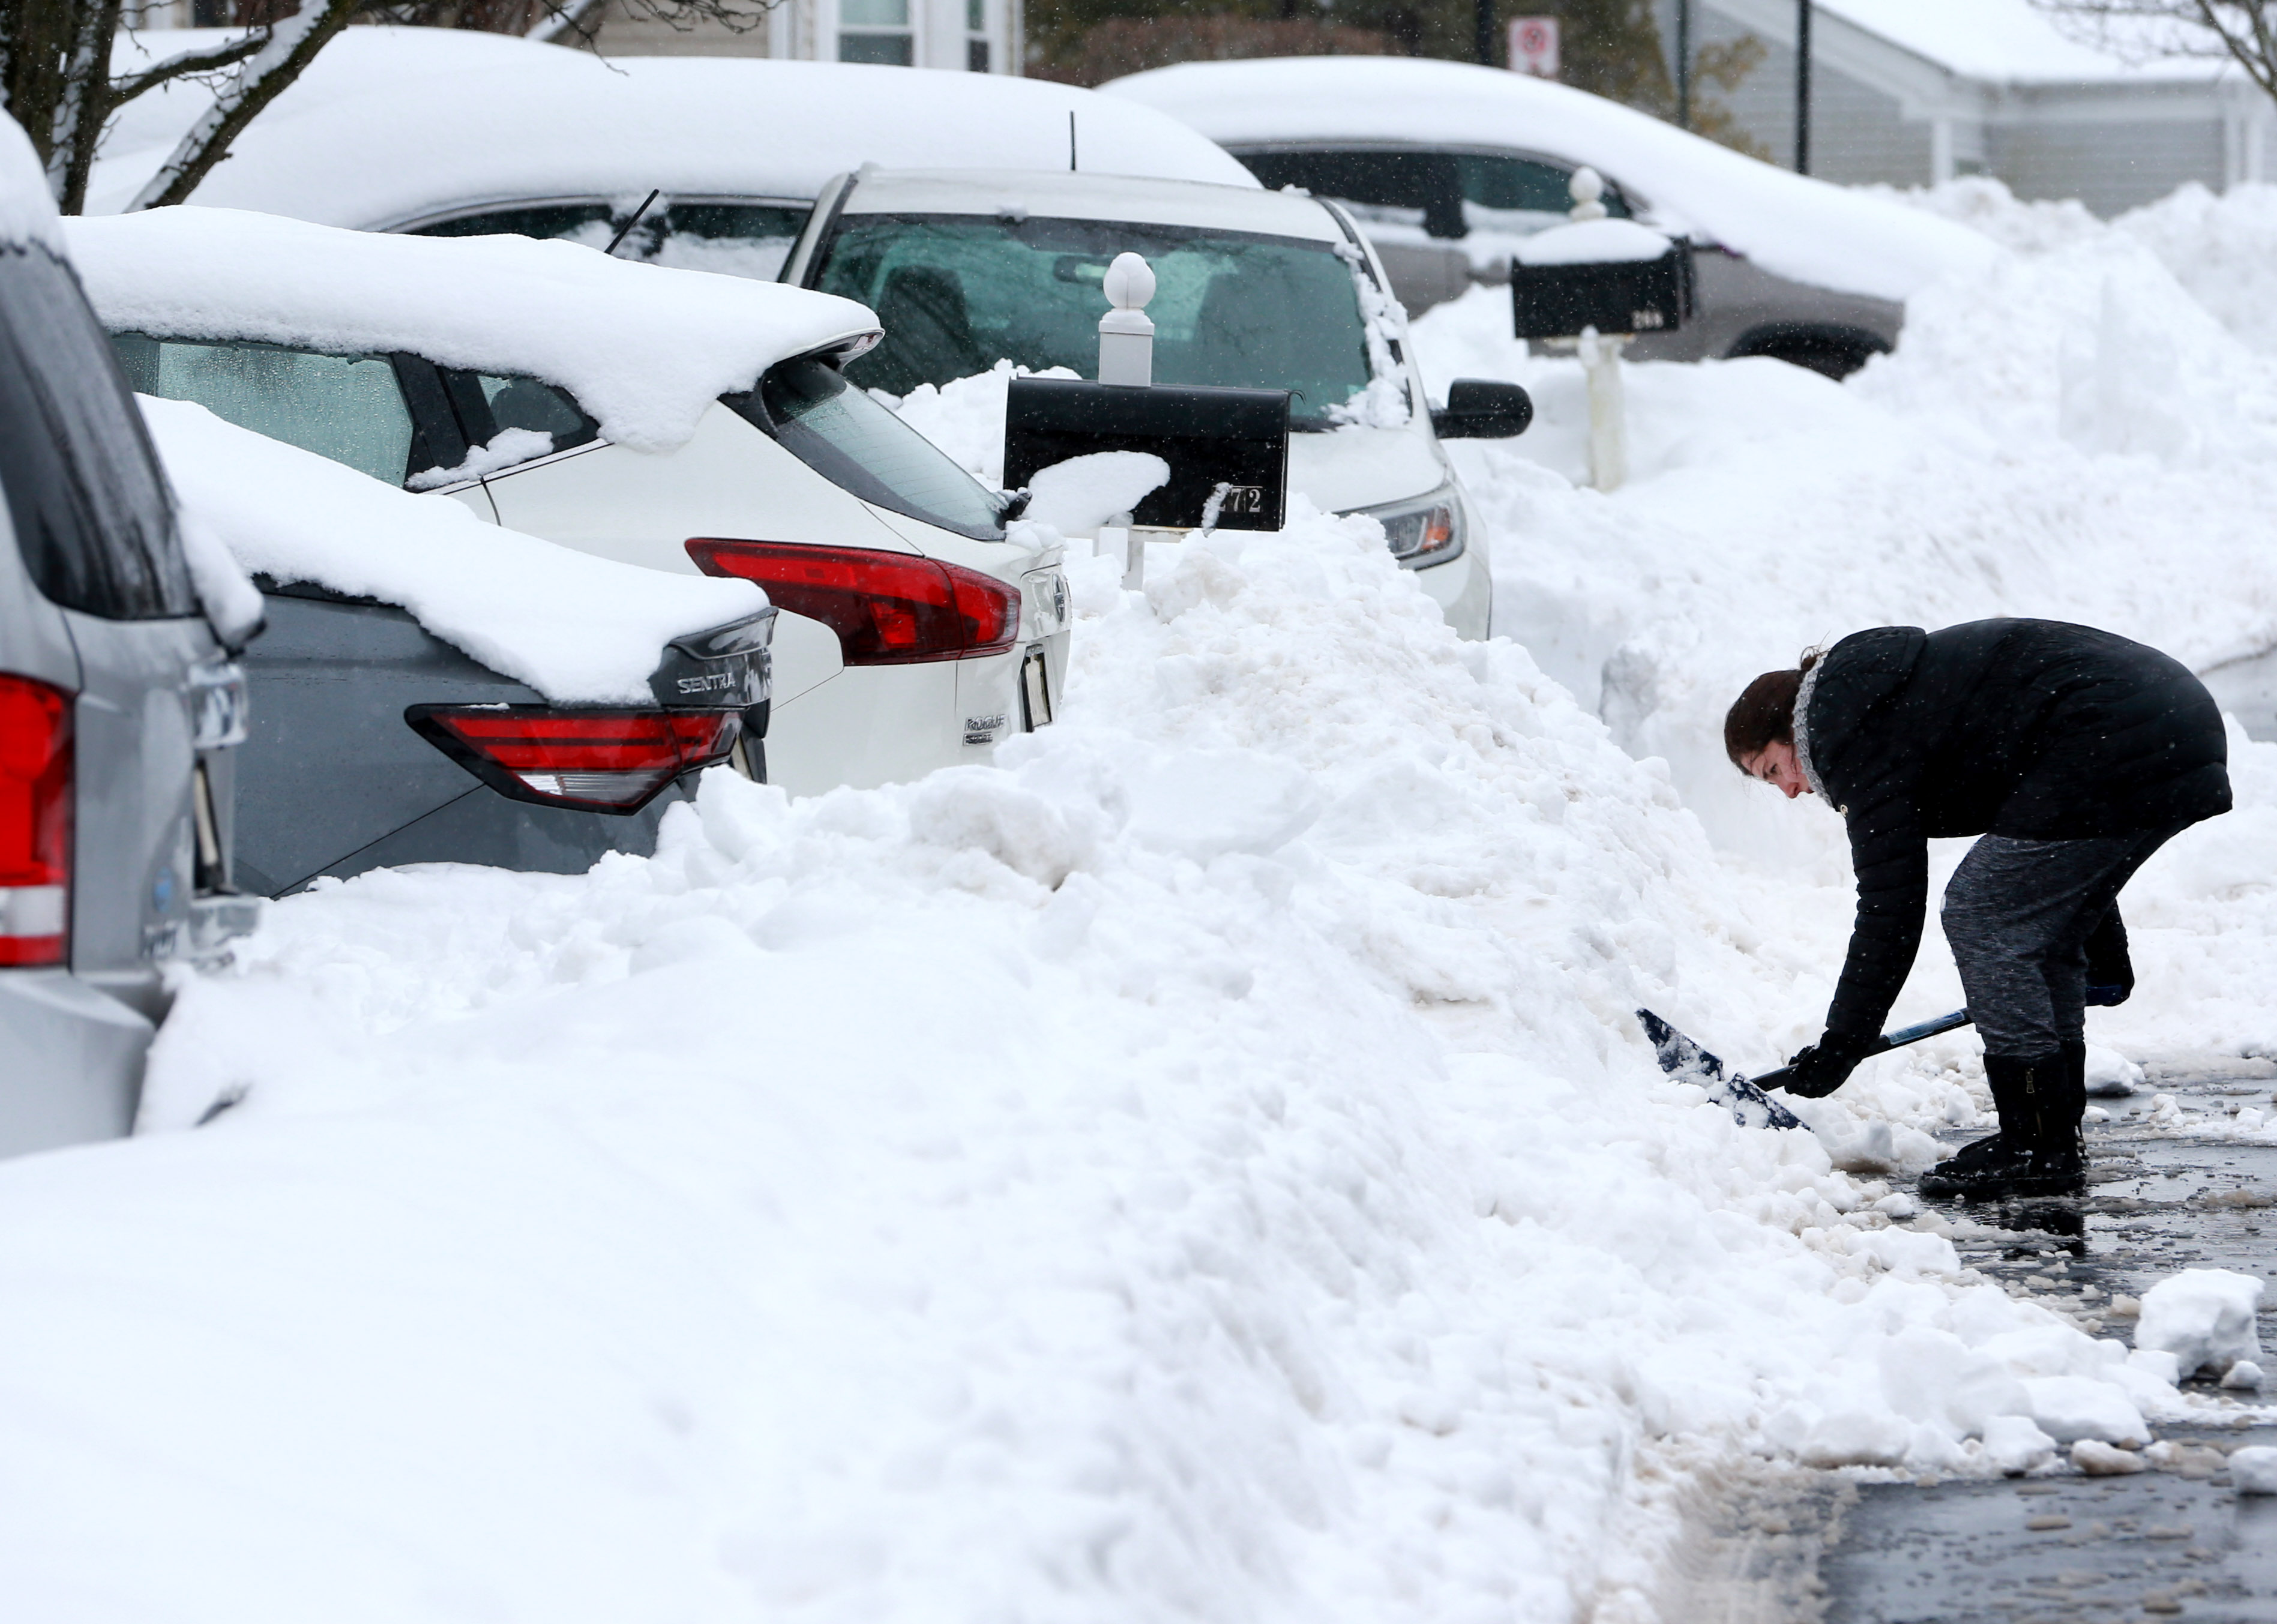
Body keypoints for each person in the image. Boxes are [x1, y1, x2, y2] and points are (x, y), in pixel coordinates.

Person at [1725, 619, 2230, 1199]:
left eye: (1773, 770)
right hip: (2164, 720)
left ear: (1792, 728)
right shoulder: (1877, 702)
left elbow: (1891, 906)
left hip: (2117, 730)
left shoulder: (1847, 733)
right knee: (2033, 923)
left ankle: (2035, 1147)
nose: (1789, 790)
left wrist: (1844, 1041)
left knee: (1980, 911)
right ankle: (2052, 1135)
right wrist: (2101, 950)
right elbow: (2054, 854)